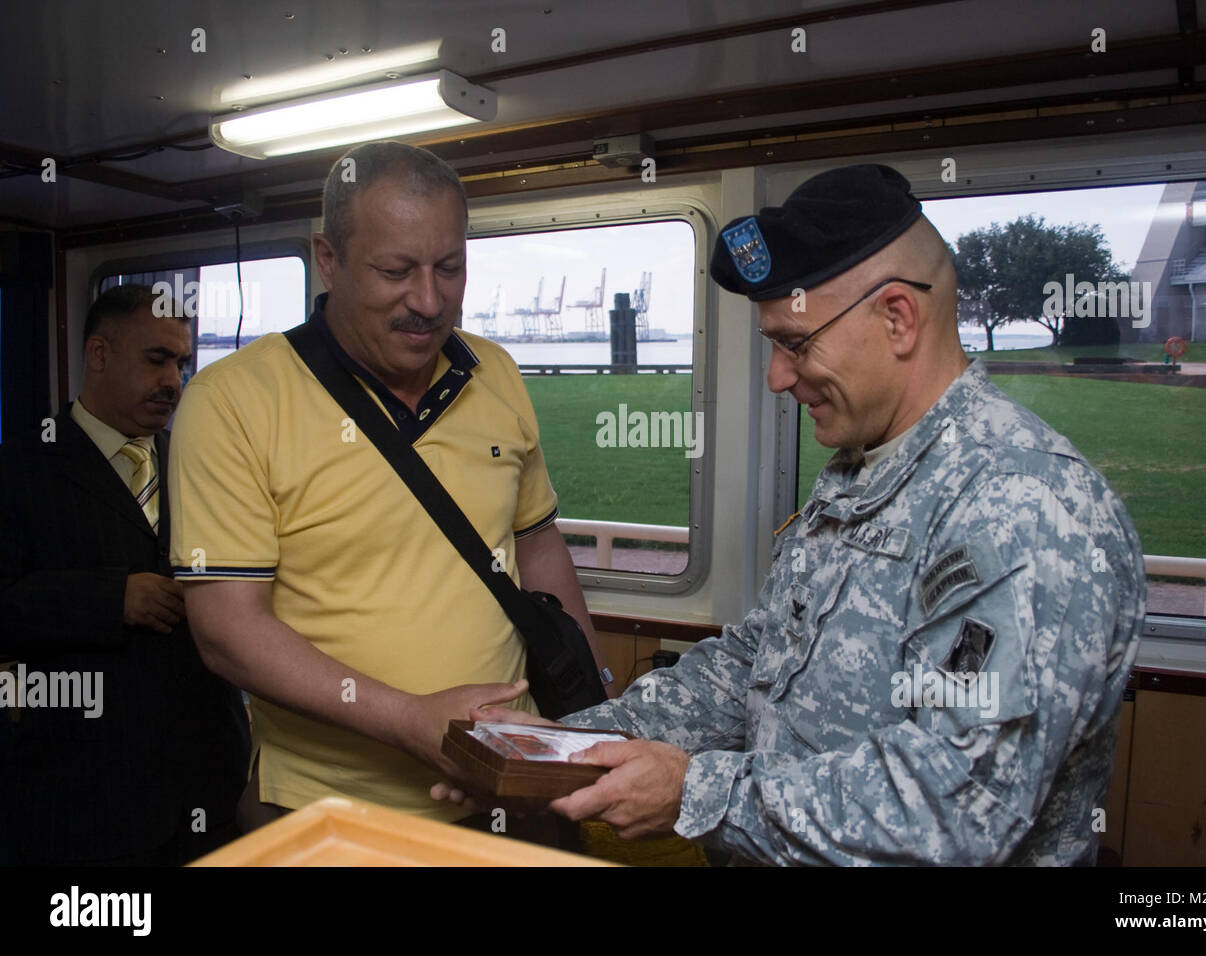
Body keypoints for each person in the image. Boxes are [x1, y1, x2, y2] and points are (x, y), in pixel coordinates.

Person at [446, 164, 1145, 865]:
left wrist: (697, 793)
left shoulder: (1025, 506)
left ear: (898, 317)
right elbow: (756, 661)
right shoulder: (858, 472)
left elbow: (956, 806)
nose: (779, 377)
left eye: (796, 343)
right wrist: (559, 751)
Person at [168, 141, 609, 826]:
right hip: (326, 808)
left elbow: (539, 547)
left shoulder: (496, 372)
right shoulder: (232, 401)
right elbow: (227, 630)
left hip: (507, 784)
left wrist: (589, 717)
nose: (429, 301)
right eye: (396, 271)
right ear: (329, 258)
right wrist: (409, 721)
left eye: (450, 268)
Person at [0, 284, 249, 865]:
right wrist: (108, 599)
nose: (173, 381)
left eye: (182, 363)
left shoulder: (203, 463)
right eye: (156, 359)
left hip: (209, 785)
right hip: (84, 793)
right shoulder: (19, 470)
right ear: (99, 354)